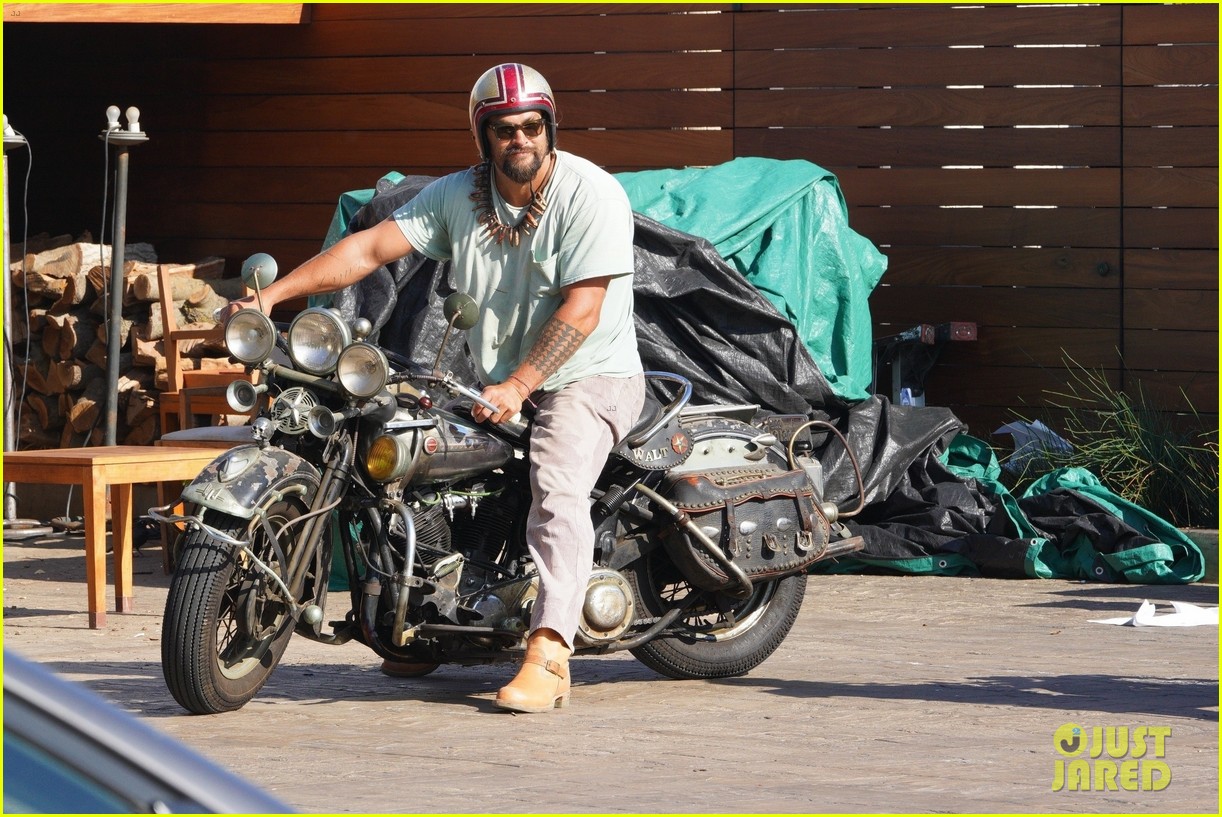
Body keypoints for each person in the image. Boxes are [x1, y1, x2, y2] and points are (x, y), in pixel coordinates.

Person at [220, 63, 645, 714]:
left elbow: (583, 309)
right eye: (504, 129)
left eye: (532, 126)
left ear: (550, 127)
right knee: (409, 452)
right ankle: (422, 617)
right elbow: (368, 249)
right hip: (500, 376)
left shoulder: (591, 194)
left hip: (589, 376)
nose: (520, 139)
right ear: (483, 136)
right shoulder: (457, 197)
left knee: (557, 485)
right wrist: (270, 297)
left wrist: (520, 383)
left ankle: (550, 651)